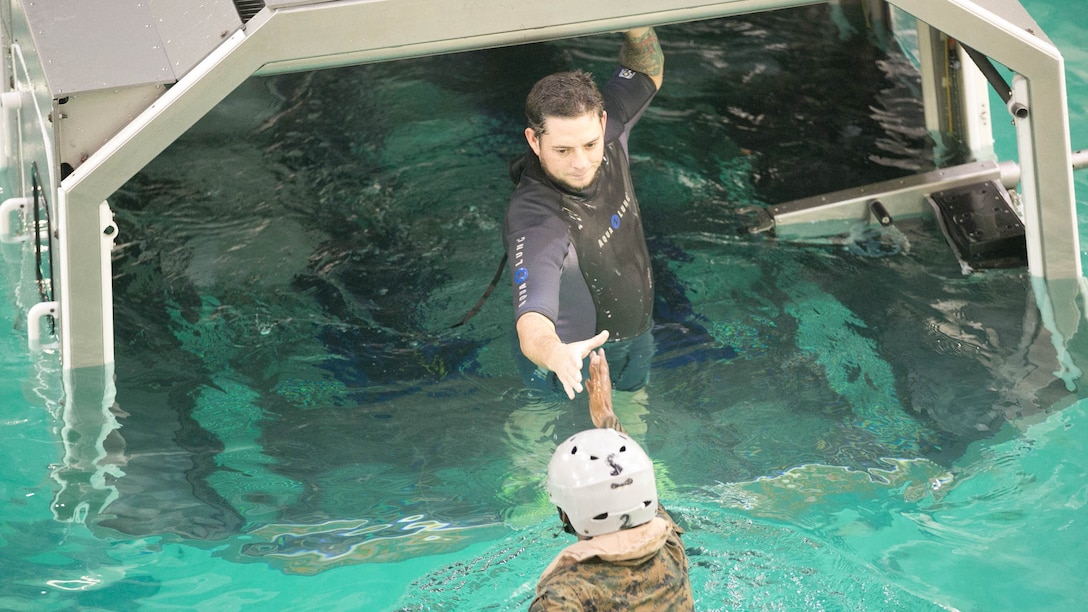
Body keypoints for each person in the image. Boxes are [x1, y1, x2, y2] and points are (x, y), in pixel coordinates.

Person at [504, 27, 664, 400]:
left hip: (636, 336)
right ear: (533, 140)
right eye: (562, 150)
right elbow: (532, 321)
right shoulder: (538, 219)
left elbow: (645, 72)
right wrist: (555, 353)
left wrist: (635, 23)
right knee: (539, 441)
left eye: (589, 144)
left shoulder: (610, 132)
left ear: (603, 123)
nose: (580, 163)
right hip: (566, 362)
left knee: (634, 423)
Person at [531, 348, 693, 610]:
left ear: (565, 515)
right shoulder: (671, 546)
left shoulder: (564, 595)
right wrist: (606, 416)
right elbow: (632, 486)